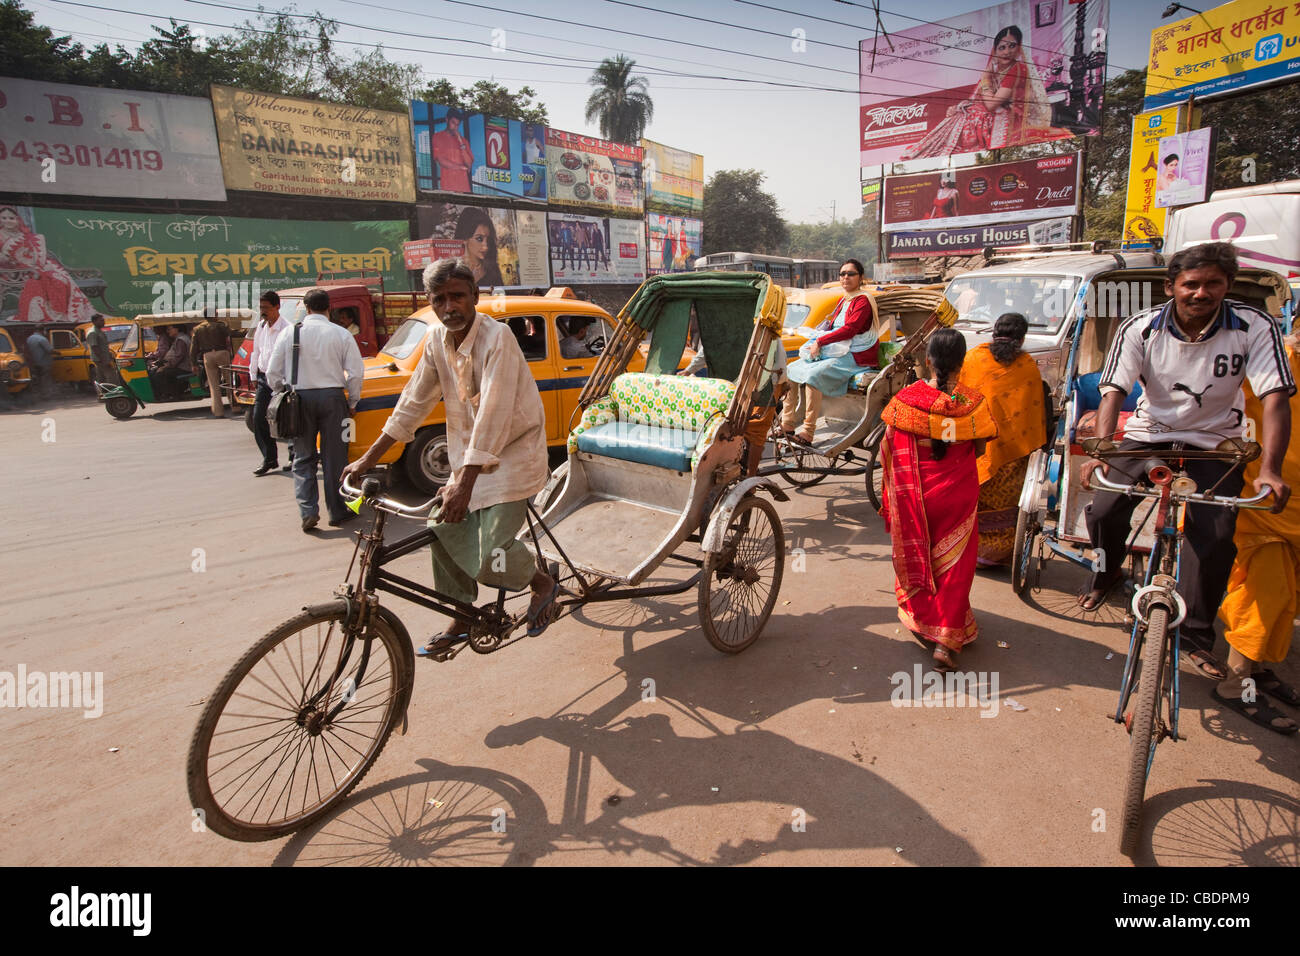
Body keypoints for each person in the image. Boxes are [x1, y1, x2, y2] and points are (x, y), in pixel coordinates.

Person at [1079, 242, 1294, 681]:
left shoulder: (1255, 326)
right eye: (1190, 284)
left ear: (1227, 286)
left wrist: (1269, 469)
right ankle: (1106, 574)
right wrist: (1101, 448)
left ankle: (1196, 633)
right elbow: (1113, 390)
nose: (1201, 293)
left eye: (1213, 283)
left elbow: (1275, 399)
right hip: (1148, 436)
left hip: (1215, 443)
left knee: (1214, 537)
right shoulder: (1139, 327)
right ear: (1171, 287)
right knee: (1103, 509)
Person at [341, 258, 559, 654]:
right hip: (471, 459)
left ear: (475, 296)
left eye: (457, 296)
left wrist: (463, 484)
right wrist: (368, 459)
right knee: (441, 526)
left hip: (513, 457)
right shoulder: (436, 341)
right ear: (431, 302)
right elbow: (412, 403)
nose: (449, 307)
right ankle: (462, 612)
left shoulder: (499, 339)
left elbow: (493, 413)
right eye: (439, 299)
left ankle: (541, 581)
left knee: (490, 554)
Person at [880, 328, 998, 671]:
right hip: (958, 494)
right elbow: (979, 449)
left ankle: (927, 619)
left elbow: (889, 448)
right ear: (962, 363)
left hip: (917, 497)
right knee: (956, 567)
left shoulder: (905, 402)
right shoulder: (973, 404)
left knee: (926, 557)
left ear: (927, 360)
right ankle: (946, 642)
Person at [1215, 329, 1300, 734]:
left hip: (1295, 510)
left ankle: (1259, 667)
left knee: (1288, 594)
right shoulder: (1268, 358)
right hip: (1258, 500)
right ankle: (1237, 684)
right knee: (1265, 594)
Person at [267, 287, 364, 532]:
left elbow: (272, 373)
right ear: (328, 308)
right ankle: (338, 511)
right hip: (334, 400)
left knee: (303, 457)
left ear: (306, 308)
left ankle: (308, 511)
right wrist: (352, 402)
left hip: (299, 401)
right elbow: (355, 373)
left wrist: (283, 391)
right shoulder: (341, 334)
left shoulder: (289, 333)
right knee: (336, 458)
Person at [956, 313, 1046, 566]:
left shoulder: (974, 358)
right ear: (1023, 337)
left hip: (977, 447)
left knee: (975, 498)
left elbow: (960, 397)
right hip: (1014, 451)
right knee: (1008, 500)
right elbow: (1034, 410)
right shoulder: (1027, 364)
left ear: (994, 332)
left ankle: (971, 552)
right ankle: (999, 555)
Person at [901, 25, 1056, 158]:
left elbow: (991, 105)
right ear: (995, 51)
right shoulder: (1000, 70)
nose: (1007, 52)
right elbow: (978, 97)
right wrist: (961, 106)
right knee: (963, 111)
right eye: (1002, 48)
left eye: (1012, 46)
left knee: (969, 115)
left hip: (1015, 119)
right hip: (999, 112)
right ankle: (930, 151)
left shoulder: (1018, 68)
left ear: (1019, 47)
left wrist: (987, 76)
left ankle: (933, 152)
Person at [780, 258, 879, 444]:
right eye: (842, 274)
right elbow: (833, 327)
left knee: (813, 376)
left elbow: (850, 329)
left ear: (861, 277)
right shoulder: (844, 300)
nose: (845, 277)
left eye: (851, 274)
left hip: (856, 355)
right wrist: (816, 338)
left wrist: (821, 341)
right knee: (791, 370)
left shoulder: (863, 301)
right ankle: (787, 423)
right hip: (837, 349)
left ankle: (808, 431)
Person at [0, 205, 95, 325]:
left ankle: (61, 313)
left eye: (11, 218)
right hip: (15, 272)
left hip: (38, 267)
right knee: (46, 279)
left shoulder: (25, 235)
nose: (7, 221)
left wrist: (37, 267)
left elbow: (37, 254)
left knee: (60, 279)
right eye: (4, 218)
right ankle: (51, 313)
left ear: (17, 220)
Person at [248, 290, 288, 475]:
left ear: (277, 307)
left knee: (287, 419)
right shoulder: (261, 327)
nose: (263, 311)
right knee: (258, 418)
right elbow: (256, 351)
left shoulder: (287, 328)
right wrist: (253, 375)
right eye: (261, 307)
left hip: (282, 379)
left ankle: (295, 457)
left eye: (266, 307)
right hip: (264, 379)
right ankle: (269, 458)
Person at [190, 308, 233, 418]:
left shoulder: (197, 329)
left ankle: (218, 412)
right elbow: (232, 334)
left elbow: (193, 349)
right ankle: (235, 407)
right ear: (214, 314)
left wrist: (194, 364)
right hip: (222, 353)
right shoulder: (220, 325)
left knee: (213, 385)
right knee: (229, 382)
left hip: (208, 356)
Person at [454, 206, 504, 287]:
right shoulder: (452, 270)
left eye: (488, 240)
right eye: (479, 239)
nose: (486, 247)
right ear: (465, 239)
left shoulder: (492, 270)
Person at [430, 109, 475, 193]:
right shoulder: (437, 137)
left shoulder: (464, 141)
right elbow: (441, 160)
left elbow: (469, 164)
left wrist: (460, 142)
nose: (455, 127)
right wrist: (460, 167)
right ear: (447, 120)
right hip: (448, 187)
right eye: (453, 123)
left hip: (464, 188)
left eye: (457, 124)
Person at [150, 325, 192, 399]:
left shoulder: (181, 340)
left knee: (160, 374)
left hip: (184, 367)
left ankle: (171, 394)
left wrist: (165, 367)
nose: (167, 331)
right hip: (181, 366)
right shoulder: (179, 338)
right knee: (156, 371)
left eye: (169, 329)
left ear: (177, 329)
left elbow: (178, 357)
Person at [85, 314, 118, 388]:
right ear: (94, 321)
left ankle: (103, 393)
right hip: (100, 359)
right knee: (111, 376)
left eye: (103, 320)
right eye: (101, 320)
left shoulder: (99, 331)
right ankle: (113, 392)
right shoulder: (93, 332)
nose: (103, 322)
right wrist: (104, 360)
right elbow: (94, 347)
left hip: (104, 358)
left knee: (101, 377)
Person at [23, 329, 53, 398]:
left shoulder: (29, 338)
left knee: (38, 379)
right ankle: (46, 395)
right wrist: (58, 352)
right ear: (42, 330)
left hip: (34, 362)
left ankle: (39, 394)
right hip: (44, 362)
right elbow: (50, 350)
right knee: (45, 379)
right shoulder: (42, 339)